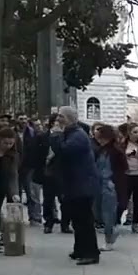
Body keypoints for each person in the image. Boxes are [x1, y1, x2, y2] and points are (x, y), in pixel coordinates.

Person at [56, 107, 99, 264]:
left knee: (84, 220)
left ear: (69, 118)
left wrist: (56, 135)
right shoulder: (73, 133)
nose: (58, 119)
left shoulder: (78, 135)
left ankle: (91, 253)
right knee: (77, 219)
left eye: (61, 116)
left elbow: (64, 150)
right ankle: (80, 249)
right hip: (76, 184)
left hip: (82, 184)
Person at [91, 124, 120, 251]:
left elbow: (122, 170)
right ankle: (112, 232)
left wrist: (115, 183)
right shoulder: (99, 150)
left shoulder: (115, 152)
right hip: (98, 183)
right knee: (98, 213)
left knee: (108, 213)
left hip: (109, 185)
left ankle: (109, 240)